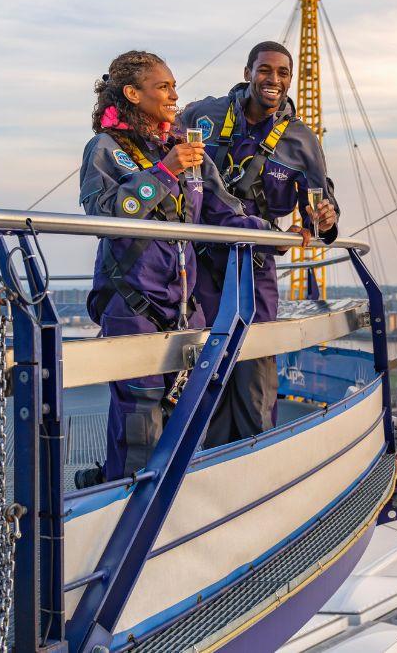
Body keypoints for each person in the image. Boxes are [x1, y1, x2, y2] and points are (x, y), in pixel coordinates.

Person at [75, 50, 271, 488]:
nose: (174, 95)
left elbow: (224, 212)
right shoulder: (105, 150)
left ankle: (149, 504)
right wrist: (164, 171)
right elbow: (106, 212)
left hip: (186, 309)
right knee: (139, 426)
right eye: (163, 87)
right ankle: (121, 514)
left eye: (174, 86)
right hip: (132, 306)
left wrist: (277, 234)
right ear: (132, 93)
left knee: (185, 421)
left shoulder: (185, 150)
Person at [179, 40, 339, 447]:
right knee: (206, 358)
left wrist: (322, 218)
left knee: (254, 364)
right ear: (248, 71)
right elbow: (165, 154)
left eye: (283, 73)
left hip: (256, 263)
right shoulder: (204, 115)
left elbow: (319, 202)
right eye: (265, 70)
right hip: (201, 259)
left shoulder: (301, 141)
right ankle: (202, 458)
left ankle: (254, 455)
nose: (274, 79)